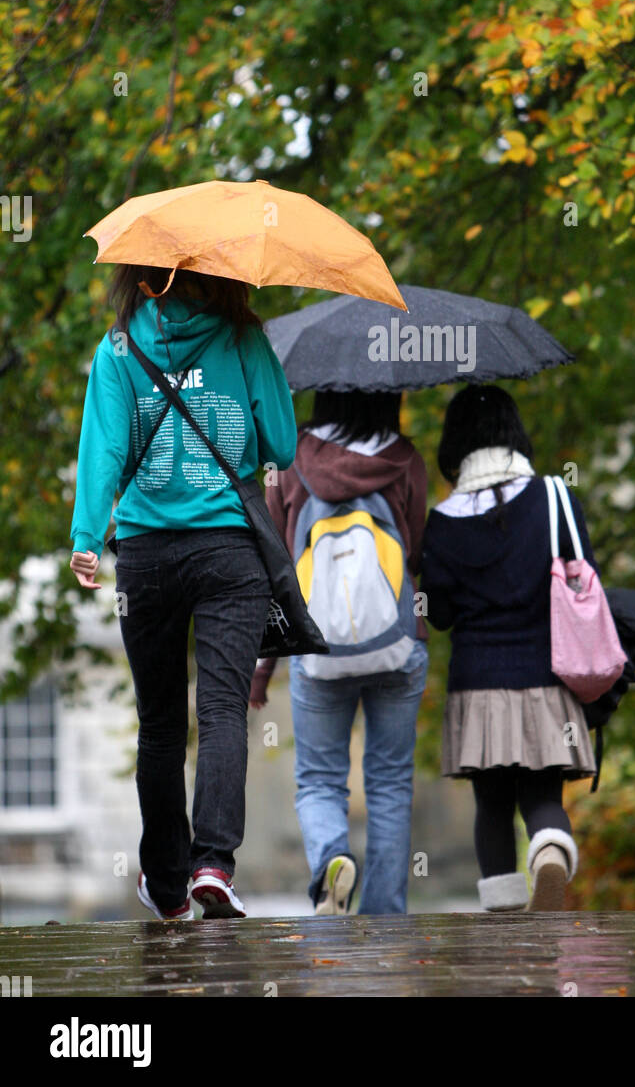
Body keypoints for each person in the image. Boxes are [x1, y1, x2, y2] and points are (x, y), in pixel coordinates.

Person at [69, 265, 297, 920]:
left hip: (145, 555)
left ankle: (166, 883)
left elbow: (104, 450)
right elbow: (281, 443)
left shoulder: (116, 348)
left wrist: (88, 534)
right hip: (230, 548)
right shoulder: (244, 338)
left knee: (161, 724)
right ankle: (212, 867)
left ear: (145, 282)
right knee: (224, 711)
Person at [420, 385, 597, 913]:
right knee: (542, 795)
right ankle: (548, 849)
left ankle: (504, 921)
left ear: (455, 446)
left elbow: (441, 616)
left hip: (478, 684)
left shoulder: (442, 522)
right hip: (548, 676)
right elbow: (584, 577)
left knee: (491, 804)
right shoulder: (556, 497)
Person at [250, 390, 428, 915]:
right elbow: (414, 547)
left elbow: (273, 565)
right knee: (390, 782)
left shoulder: (288, 461)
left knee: (320, 779)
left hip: (318, 649)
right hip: (396, 642)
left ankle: (332, 859)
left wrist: (262, 668)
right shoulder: (405, 459)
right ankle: (386, 916)